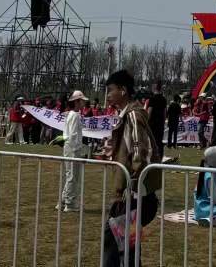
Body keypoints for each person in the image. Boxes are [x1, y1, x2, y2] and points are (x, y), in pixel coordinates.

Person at [101, 69, 158, 267]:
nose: (108, 95)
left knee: (118, 239)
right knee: (126, 242)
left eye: (111, 90)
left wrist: (135, 182)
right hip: (129, 190)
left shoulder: (133, 114)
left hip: (131, 191)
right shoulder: (127, 114)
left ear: (123, 90)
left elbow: (141, 149)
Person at [59, 90, 87, 213]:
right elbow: (74, 135)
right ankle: (69, 203)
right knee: (73, 176)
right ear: (77, 102)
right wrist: (78, 150)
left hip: (69, 146)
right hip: (73, 147)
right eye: (82, 101)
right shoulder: (75, 115)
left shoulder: (70, 114)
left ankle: (63, 201)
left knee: (69, 175)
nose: (84, 103)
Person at [147, 83, 168, 158]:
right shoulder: (163, 99)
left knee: (152, 140)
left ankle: (153, 156)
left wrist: (147, 121)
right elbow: (165, 111)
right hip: (160, 123)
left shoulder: (152, 98)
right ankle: (160, 155)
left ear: (154, 88)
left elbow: (150, 111)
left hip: (153, 123)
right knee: (159, 140)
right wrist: (163, 120)